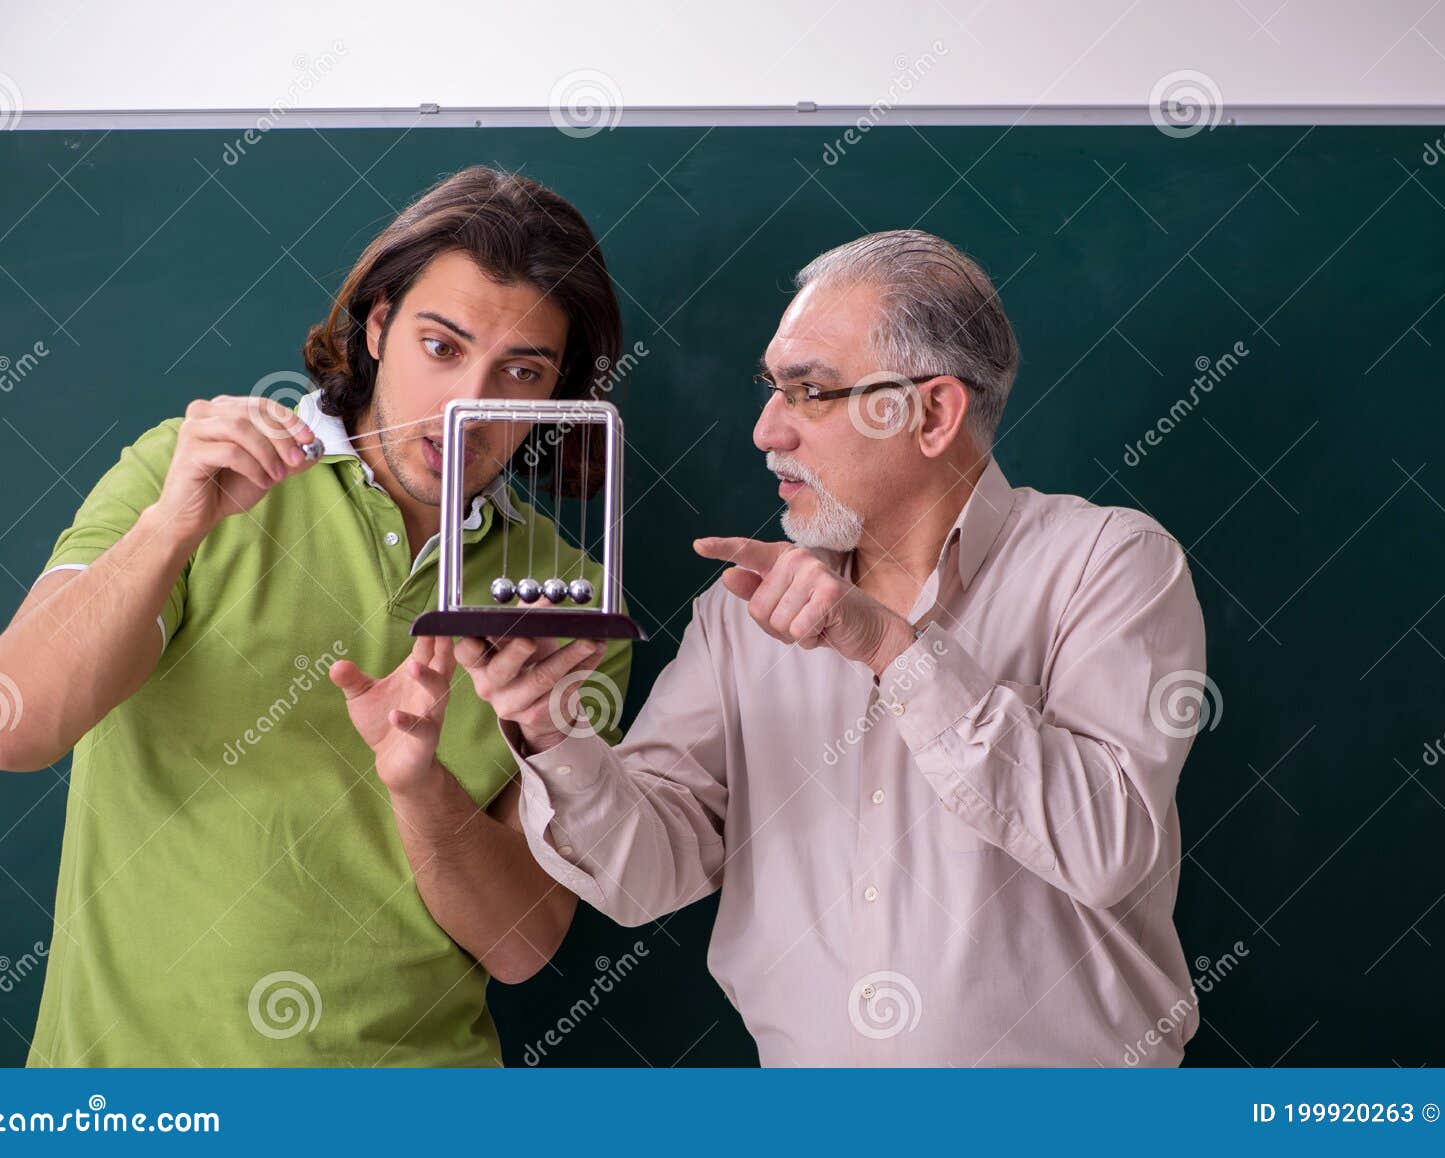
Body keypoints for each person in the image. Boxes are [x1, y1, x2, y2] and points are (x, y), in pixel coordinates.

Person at [455, 230, 1208, 1065]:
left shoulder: (1108, 564)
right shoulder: (742, 614)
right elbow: (644, 876)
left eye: (809, 391)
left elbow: (1107, 848)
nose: (766, 431)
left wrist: (896, 650)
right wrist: (553, 737)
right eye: (771, 389)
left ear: (931, 414)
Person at [0, 166, 631, 1066]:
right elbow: (10, 730)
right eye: (442, 347)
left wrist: (417, 782)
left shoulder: (565, 595)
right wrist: (171, 527)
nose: (467, 407)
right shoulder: (184, 474)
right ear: (380, 322)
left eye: (520, 370)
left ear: (554, 394)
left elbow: (520, 949)